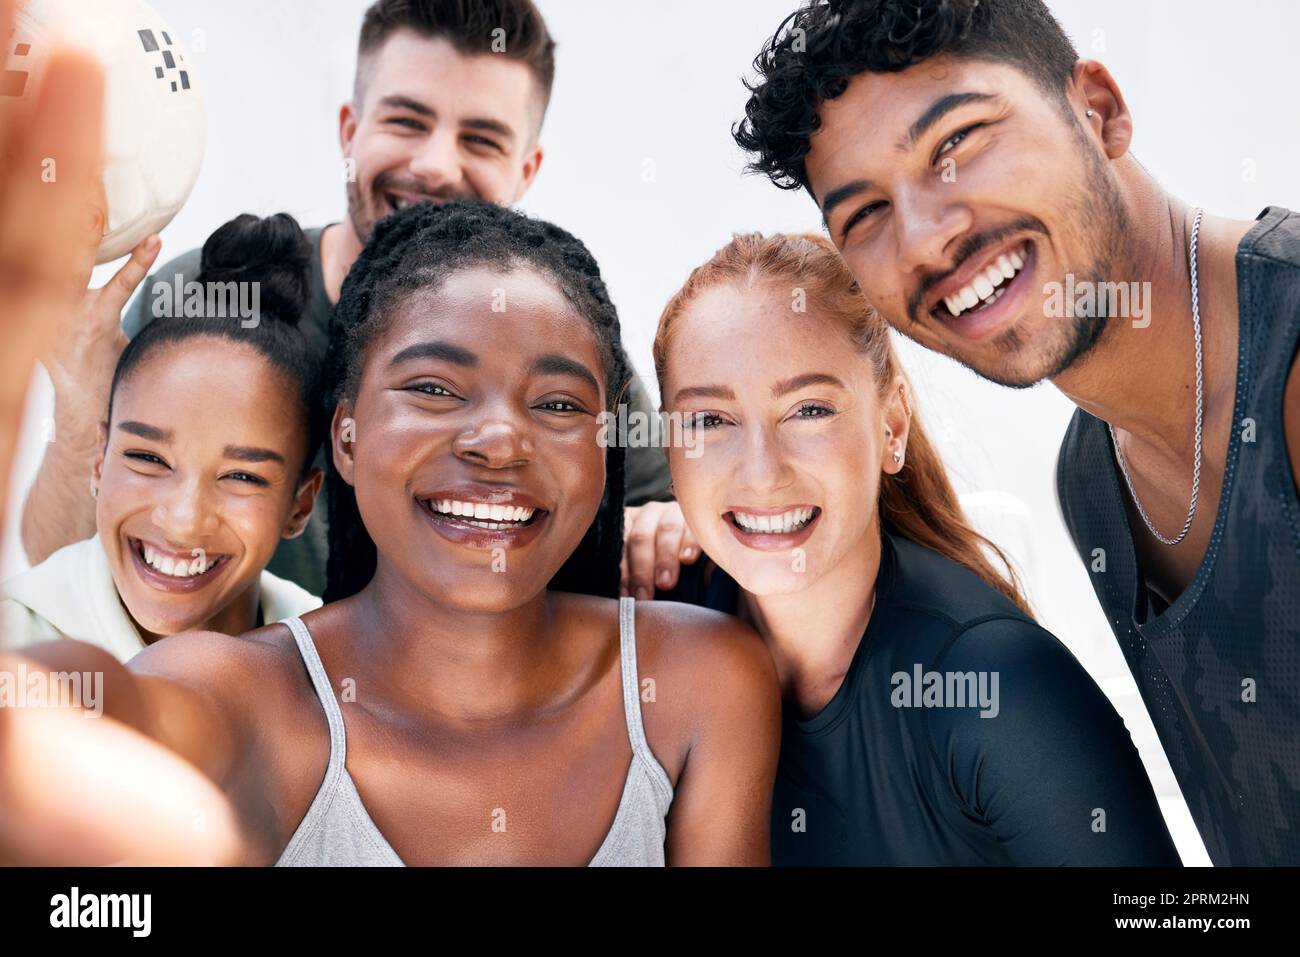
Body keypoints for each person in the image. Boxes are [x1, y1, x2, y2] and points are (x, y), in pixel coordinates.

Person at [0, 200, 780, 867]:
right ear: (344, 437)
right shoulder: (246, 697)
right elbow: (96, 713)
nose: (500, 441)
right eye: (435, 387)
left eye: (558, 403)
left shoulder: (703, 682)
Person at [729, 0, 1300, 865]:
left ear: (1098, 109)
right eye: (867, 214)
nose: (927, 236)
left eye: (957, 144)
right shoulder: (1093, 476)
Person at [21, 0, 673, 597]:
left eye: (481, 139)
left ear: (526, 169)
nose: (436, 165)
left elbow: (664, 512)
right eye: (406, 120)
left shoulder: (560, 337)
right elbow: (62, 577)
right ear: (349, 131)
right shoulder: (205, 297)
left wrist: (663, 526)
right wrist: (79, 411)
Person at [652, 230, 1180, 865]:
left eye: (809, 409)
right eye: (709, 421)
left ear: (891, 426)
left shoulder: (994, 685)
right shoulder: (657, 614)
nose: (761, 473)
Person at [1, 214, 323, 661]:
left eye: (242, 477)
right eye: (148, 459)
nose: (183, 521)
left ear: (300, 504)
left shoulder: (333, 668)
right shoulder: (13, 645)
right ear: (100, 458)